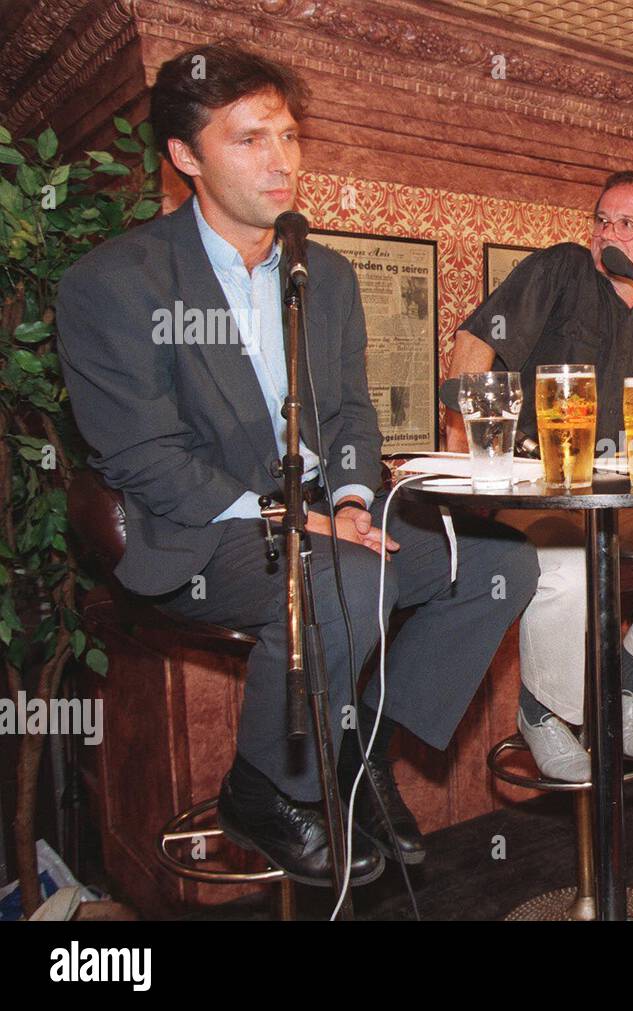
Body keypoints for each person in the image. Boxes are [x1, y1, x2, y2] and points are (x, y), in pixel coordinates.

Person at [56, 43, 539, 885]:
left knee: (500, 563)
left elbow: (350, 411)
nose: (280, 159)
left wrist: (352, 493)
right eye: (248, 140)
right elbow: (143, 455)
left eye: (287, 135)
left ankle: (356, 751)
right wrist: (300, 519)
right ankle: (265, 783)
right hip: (202, 527)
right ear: (184, 158)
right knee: (351, 577)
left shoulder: (329, 272)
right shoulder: (115, 282)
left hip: (324, 505)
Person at [444, 171, 633, 782]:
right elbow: (476, 339)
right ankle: (544, 713)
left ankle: (626, 688)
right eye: (602, 219)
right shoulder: (561, 270)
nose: (607, 232)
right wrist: (466, 434)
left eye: (626, 224)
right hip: (539, 484)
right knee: (568, 567)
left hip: (625, 486)